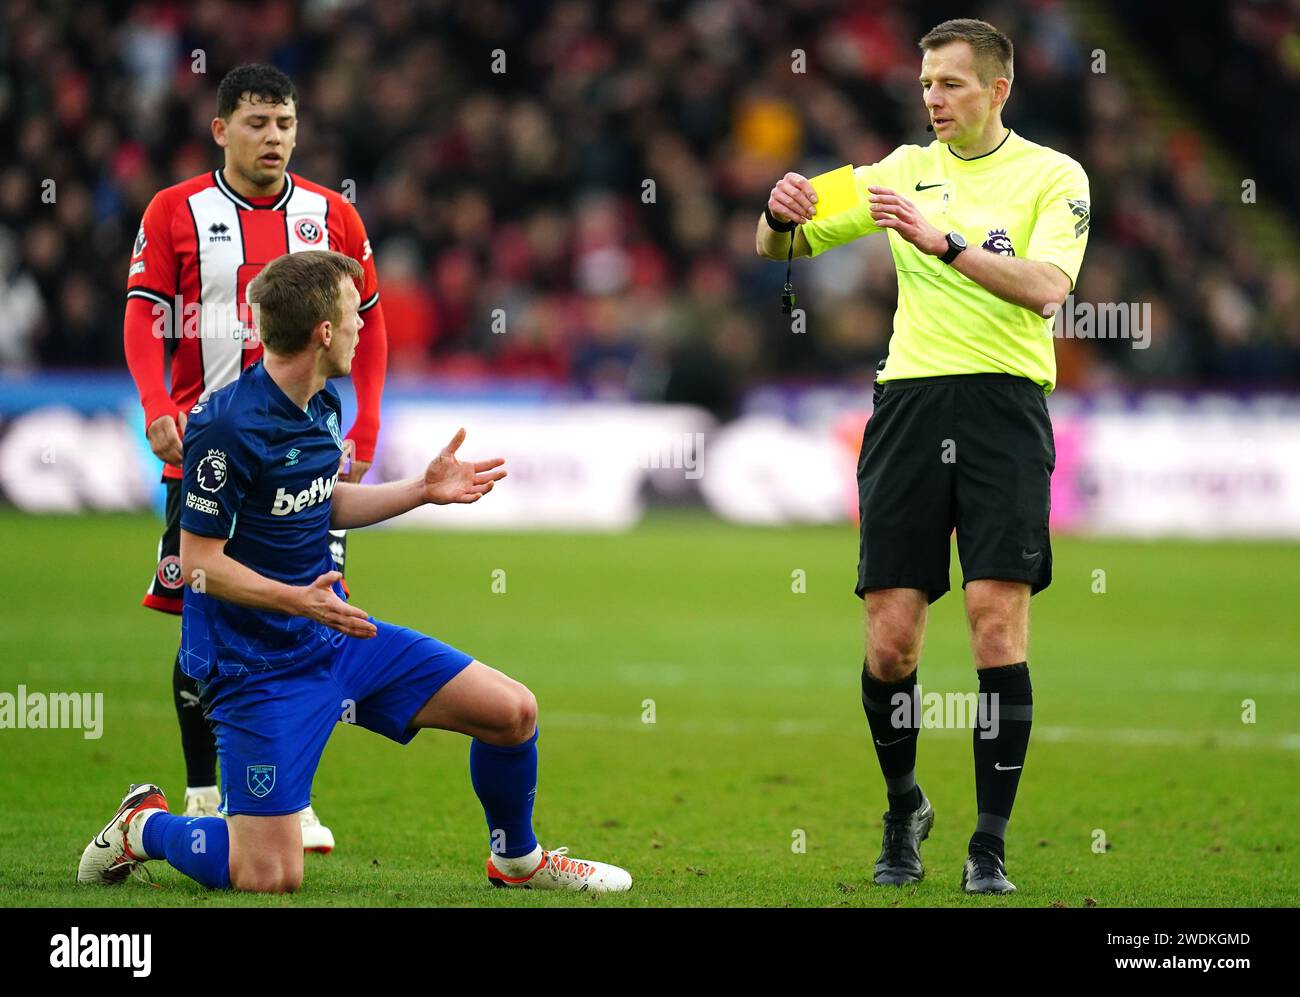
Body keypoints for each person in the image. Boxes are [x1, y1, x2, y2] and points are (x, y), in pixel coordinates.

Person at [81, 250, 631, 894]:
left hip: (335, 638)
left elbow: (324, 498)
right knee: (269, 875)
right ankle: (144, 828)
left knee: (512, 712)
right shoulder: (226, 424)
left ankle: (518, 860)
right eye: (352, 315)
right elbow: (197, 566)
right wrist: (297, 600)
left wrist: (420, 491)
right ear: (321, 332)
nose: (362, 328)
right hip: (255, 668)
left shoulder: (323, 403)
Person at [757, 18, 1090, 893]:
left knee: (993, 621)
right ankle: (905, 803)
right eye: (927, 83)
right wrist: (778, 209)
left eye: (950, 84)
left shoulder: (1055, 177)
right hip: (907, 405)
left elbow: (1049, 288)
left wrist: (943, 241)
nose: (933, 99)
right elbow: (779, 244)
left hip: (1005, 409)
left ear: (997, 90)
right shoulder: (900, 169)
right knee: (894, 640)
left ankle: (989, 845)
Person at [123, 64, 390, 850]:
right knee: (200, 627)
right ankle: (205, 796)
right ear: (220, 130)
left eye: (284, 123)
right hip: (207, 452)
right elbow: (143, 318)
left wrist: (364, 431)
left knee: (315, 615)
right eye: (256, 123)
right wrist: (155, 408)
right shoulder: (176, 211)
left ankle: (291, 799)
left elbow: (369, 327)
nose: (273, 137)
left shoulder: (332, 215)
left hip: (307, 459)